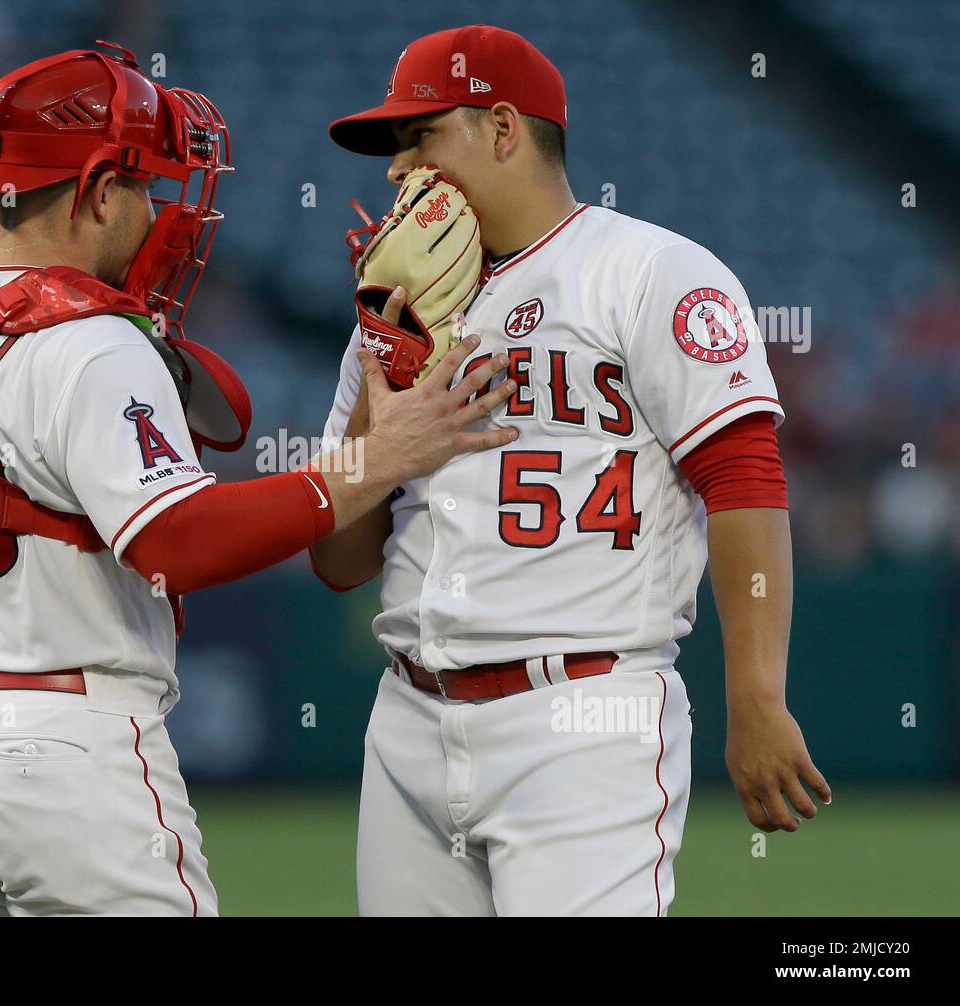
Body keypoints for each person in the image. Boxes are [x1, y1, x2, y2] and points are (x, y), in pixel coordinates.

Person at [0, 42, 516, 916]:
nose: (160, 214)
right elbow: (176, 544)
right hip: (63, 753)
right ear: (100, 190)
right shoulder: (95, 341)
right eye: (145, 188)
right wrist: (380, 460)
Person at [311, 24, 831, 916]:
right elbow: (340, 561)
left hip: (584, 714)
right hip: (408, 715)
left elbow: (744, 481)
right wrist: (382, 376)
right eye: (394, 146)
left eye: (420, 135)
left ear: (504, 127)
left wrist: (756, 698)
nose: (398, 169)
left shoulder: (649, 271)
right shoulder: (395, 305)